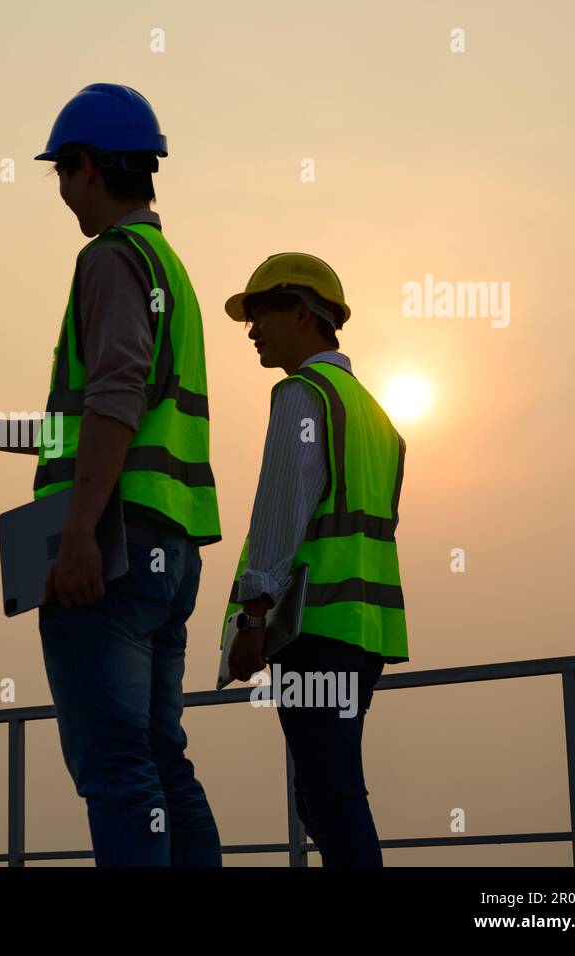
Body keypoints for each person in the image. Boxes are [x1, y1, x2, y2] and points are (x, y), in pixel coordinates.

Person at [0, 84, 224, 866]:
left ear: (86, 167)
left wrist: (77, 534)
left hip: (111, 549)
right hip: (166, 549)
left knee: (116, 767)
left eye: (61, 172)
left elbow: (115, 399)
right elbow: (97, 418)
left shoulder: (111, 259)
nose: (60, 191)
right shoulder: (166, 268)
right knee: (158, 759)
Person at [222, 252, 409, 867]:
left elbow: (281, 514)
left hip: (313, 631)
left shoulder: (302, 397)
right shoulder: (376, 416)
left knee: (329, 796)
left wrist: (252, 623)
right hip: (364, 635)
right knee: (328, 790)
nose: (251, 331)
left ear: (302, 314)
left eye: (261, 315)